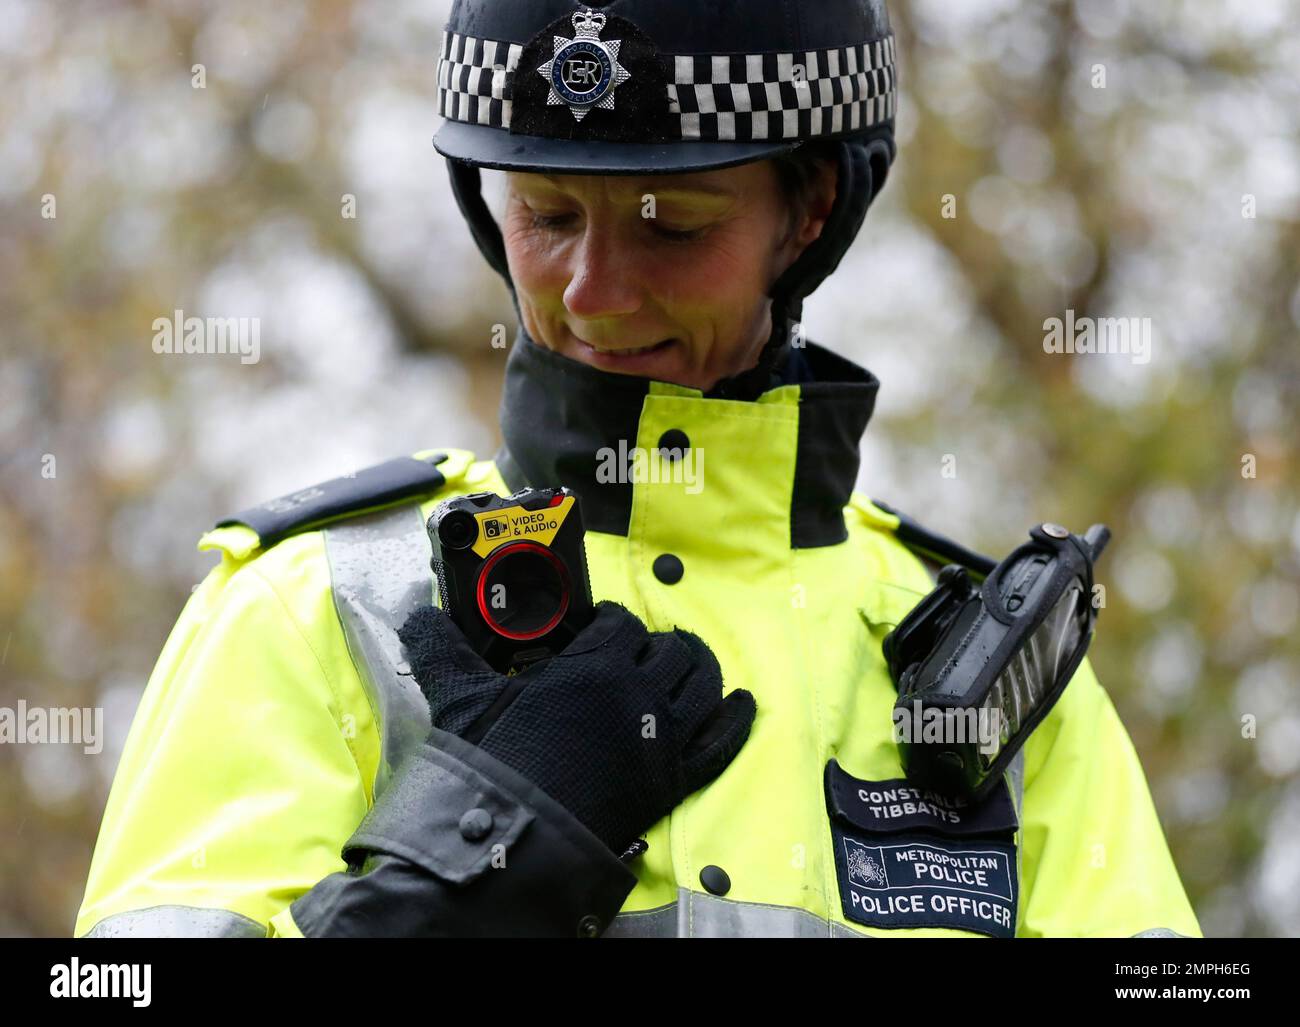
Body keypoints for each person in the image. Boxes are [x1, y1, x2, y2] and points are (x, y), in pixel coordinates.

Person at [75, 0, 1201, 938]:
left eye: (672, 228)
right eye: (547, 215)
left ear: (808, 212)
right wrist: (479, 864)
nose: (592, 293)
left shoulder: (1002, 684)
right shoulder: (306, 610)